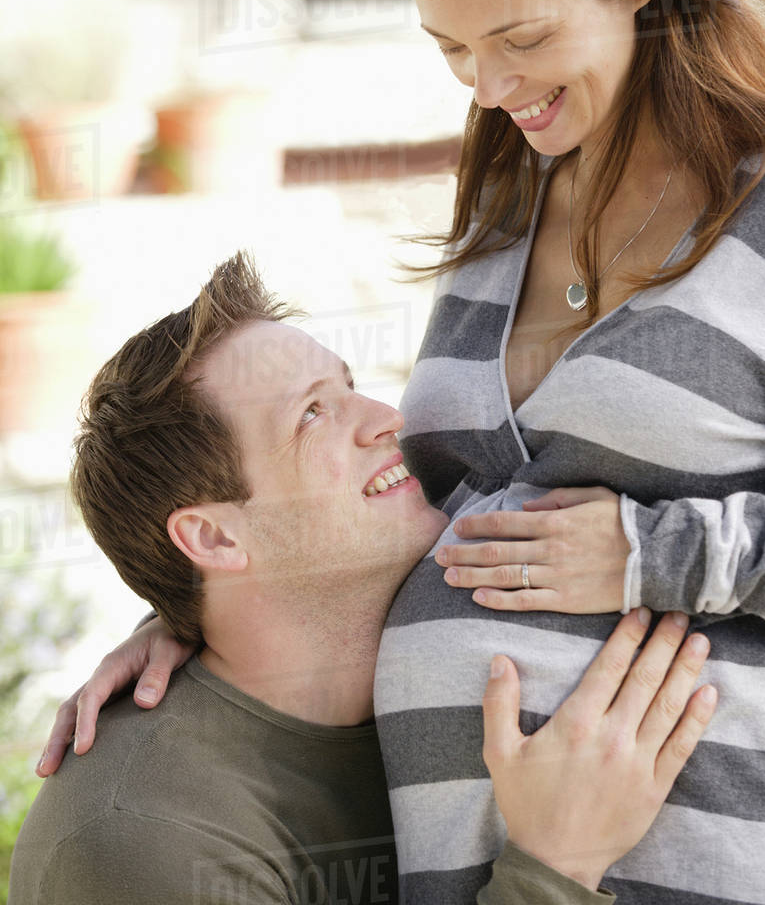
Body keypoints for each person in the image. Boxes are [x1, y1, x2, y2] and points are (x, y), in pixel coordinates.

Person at [37, 0, 765, 902]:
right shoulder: (501, 222)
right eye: (450, 48)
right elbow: (414, 497)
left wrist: (656, 556)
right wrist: (193, 613)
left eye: (521, 37)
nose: (490, 90)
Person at [10, 252, 716, 905]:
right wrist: (554, 868)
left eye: (350, 387)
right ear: (214, 536)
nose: (388, 419)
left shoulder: (421, 683)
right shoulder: (138, 840)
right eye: (312, 414)